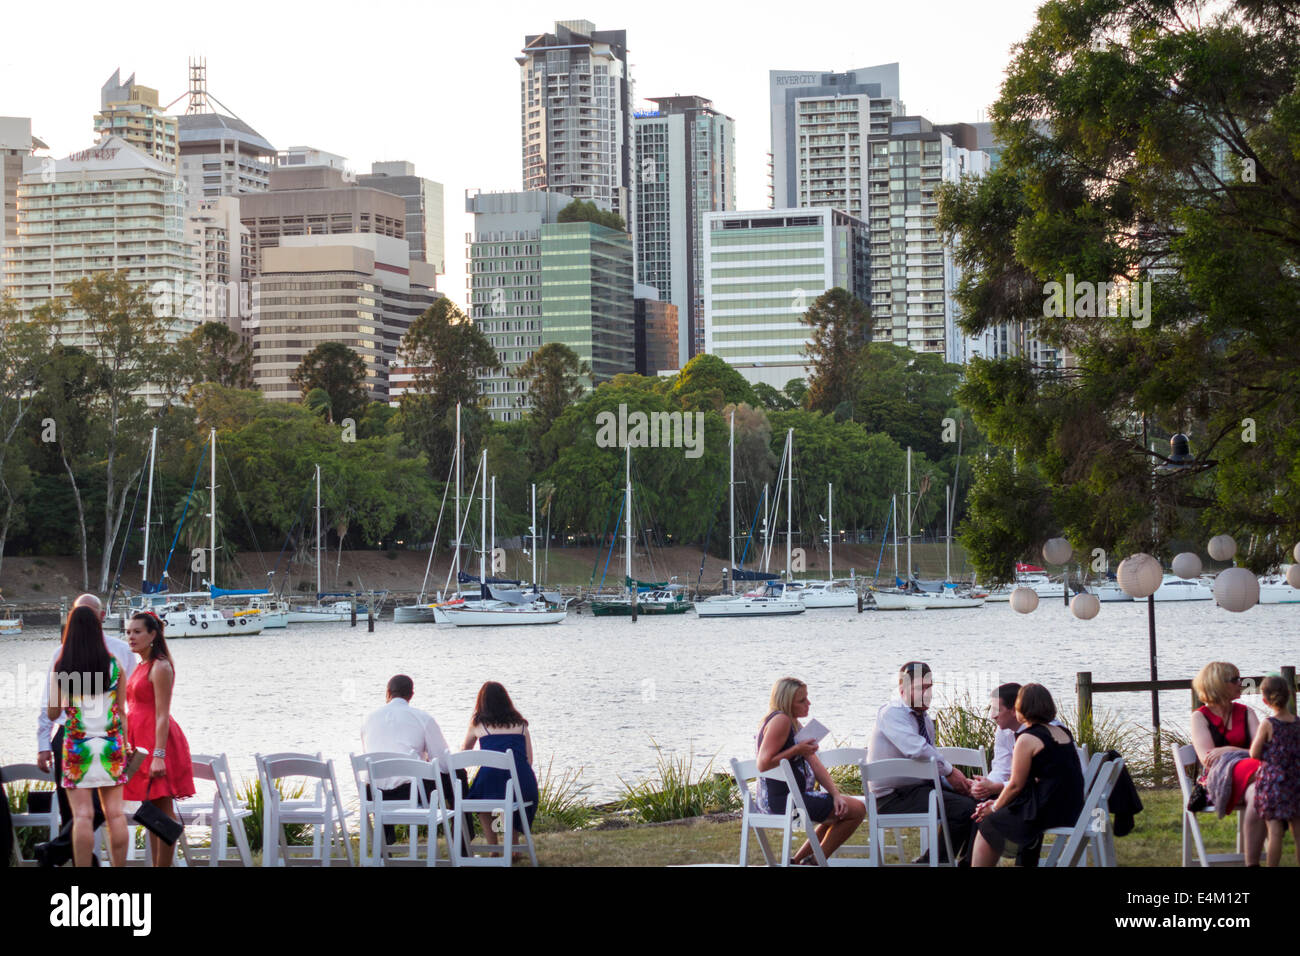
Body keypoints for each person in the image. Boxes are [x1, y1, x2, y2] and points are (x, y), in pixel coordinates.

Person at [34, 593, 135, 867]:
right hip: (111, 742)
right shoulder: (115, 664)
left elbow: (53, 713)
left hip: (77, 743)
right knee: (115, 814)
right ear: (98, 622)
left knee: (81, 816)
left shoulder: (62, 666)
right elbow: (123, 711)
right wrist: (127, 744)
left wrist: (68, 700)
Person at [867, 661, 976, 865]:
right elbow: (916, 750)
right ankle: (934, 861)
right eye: (919, 688)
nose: (926, 694)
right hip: (891, 798)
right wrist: (951, 772)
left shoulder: (924, 719)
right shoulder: (892, 713)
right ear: (902, 689)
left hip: (917, 790)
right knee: (964, 808)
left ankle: (966, 861)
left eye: (929, 687)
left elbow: (929, 765)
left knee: (977, 803)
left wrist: (958, 784)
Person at [971, 683, 1085, 867]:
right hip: (1071, 807)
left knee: (989, 824)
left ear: (1020, 708)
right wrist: (998, 803)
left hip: (1048, 810)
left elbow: (1016, 785)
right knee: (1003, 816)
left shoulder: (1027, 739)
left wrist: (994, 808)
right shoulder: (1062, 732)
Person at [755, 677, 865, 864]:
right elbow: (762, 764)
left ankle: (797, 862)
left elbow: (815, 764)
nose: (809, 703)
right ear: (787, 702)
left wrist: (836, 795)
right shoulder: (781, 720)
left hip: (786, 804)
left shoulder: (794, 723)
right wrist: (797, 750)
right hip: (785, 806)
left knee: (840, 809)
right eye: (802, 700)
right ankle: (814, 862)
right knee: (857, 809)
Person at [122, 611, 194, 867]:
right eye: (129, 632)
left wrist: (158, 756)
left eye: (137, 632)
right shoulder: (141, 665)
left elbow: (162, 714)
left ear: (152, 635)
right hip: (140, 744)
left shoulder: (160, 666)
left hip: (157, 743)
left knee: (163, 814)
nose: (131, 637)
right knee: (150, 814)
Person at [360, 674, 462, 849]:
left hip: (374, 794)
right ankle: (461, 841)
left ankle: (386, 847)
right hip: (411, 791)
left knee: (382, 776)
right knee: (458, 775)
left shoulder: (368, 719)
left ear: (388, 693)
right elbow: (444, 763)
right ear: (411, 694)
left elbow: (369, 756)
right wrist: (427, 761)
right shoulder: (422, 718)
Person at [1190, 661, 1265, 865]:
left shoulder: (1246, 712)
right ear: (1218, 684)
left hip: (1252, 780)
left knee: (1258, 796)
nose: (1242, 683)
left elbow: (1265, 751)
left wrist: (1230, 750)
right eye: (1235, 680)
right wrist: (1247, 753)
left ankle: (1252, 863)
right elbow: (1209, 759)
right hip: (1219, 780)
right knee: (1264, 778)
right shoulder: (1200, 717)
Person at [461, 682, 538, 846]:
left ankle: (493, 847)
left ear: (481, 702)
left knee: (482, 800)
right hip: (521, 781)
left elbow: (465, 752)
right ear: (506, 700)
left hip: (491, 779)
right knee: (509, 801)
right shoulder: (521, 725)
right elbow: (529, 760)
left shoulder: (478, 725)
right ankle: (514, 846)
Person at [1248, 675, 1300, 867]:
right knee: (1298, 833)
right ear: (1289, 695)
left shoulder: (1268, 724)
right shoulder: (1298, 722)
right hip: (1296, 782)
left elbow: (1254, 753)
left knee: (1275, 832)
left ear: (1265, 700)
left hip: (1275, 785)